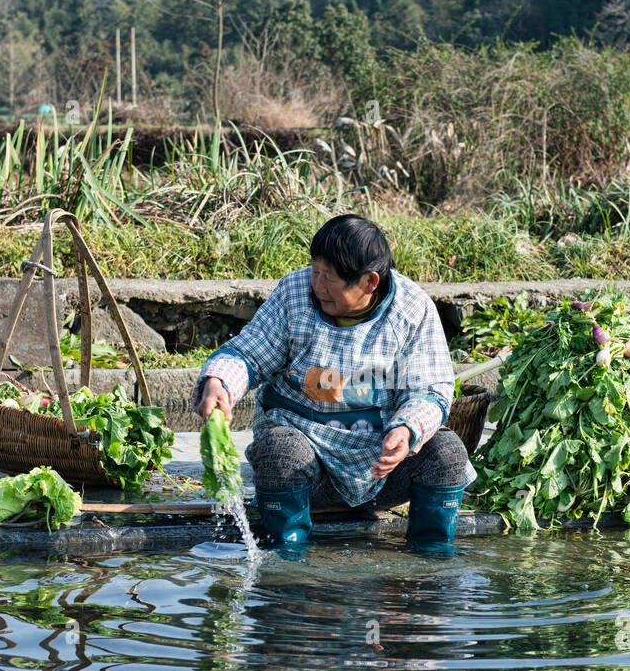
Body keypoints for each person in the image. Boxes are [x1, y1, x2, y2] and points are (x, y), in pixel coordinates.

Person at [193, 214, 473, 550]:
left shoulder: (412, 309)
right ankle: (288, 565)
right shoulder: (294, 293)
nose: (318, 285)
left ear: (369, 282)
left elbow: (431, 391)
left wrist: (406, 430)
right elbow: (248, 354)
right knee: (279, 449)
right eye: (315, 271)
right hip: (304, 466)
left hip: (378, 467)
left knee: (447, 452)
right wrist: (219, 382)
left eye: (330, 279)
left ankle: (429, 567)